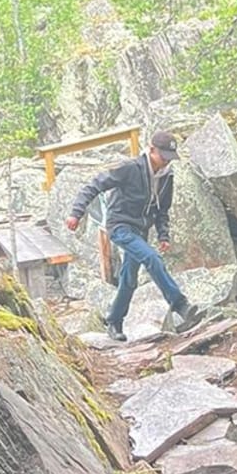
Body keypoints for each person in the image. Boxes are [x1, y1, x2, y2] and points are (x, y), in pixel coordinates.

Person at [65, 131, 202, 342]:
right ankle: (180, 304)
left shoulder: (167, 176)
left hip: (141, 230)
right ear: (151, 149)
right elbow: (94, 185)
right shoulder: (130, 168)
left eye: (169, 158)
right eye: (163, 156)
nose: (165, 162)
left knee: (129, 279)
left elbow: (163, 209)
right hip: (119, 225)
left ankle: (114, 322)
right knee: (152, 258)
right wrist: (76, 212)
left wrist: (163, 235)